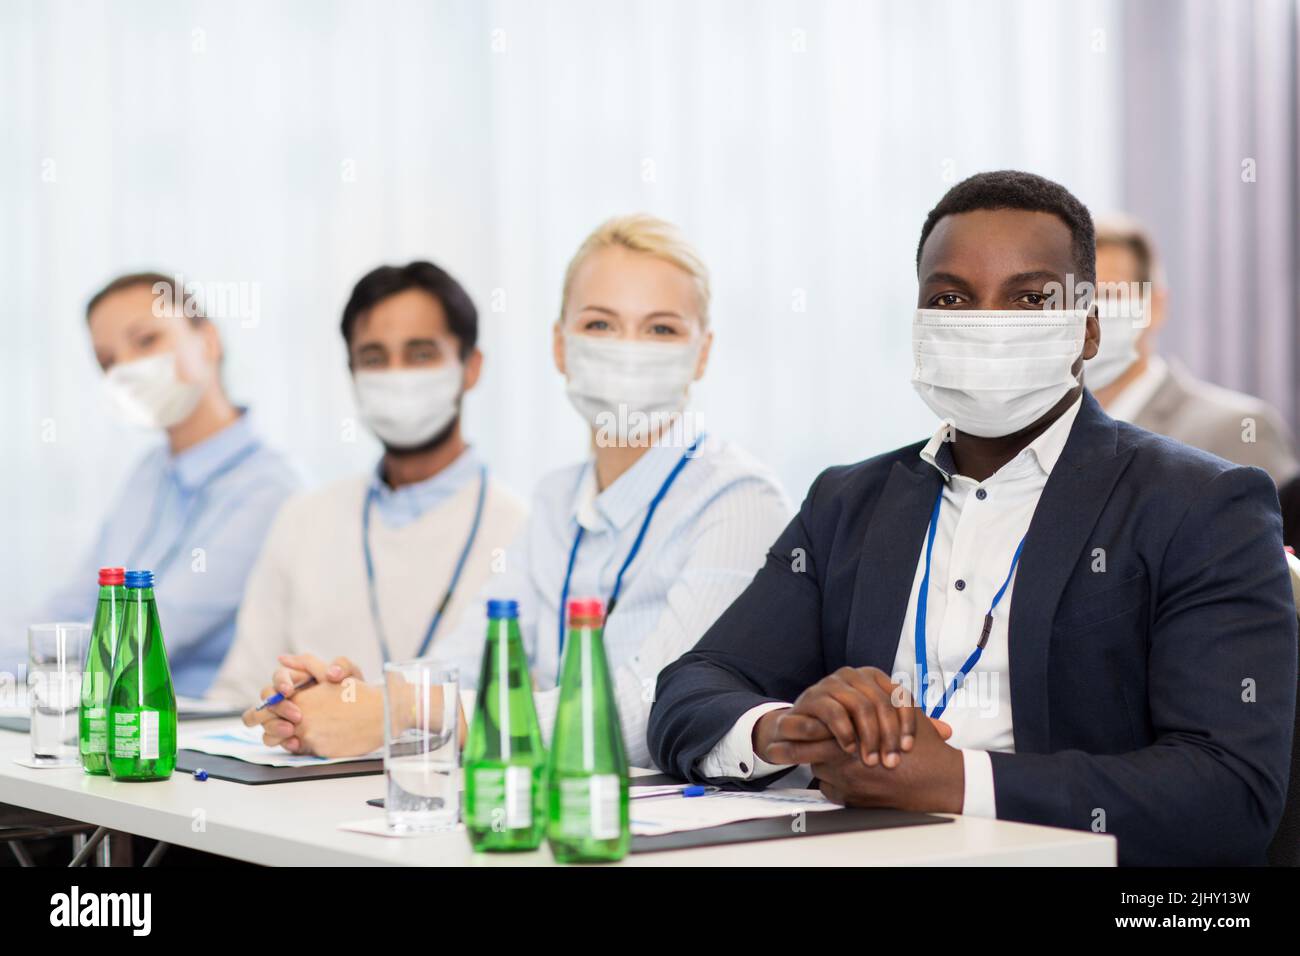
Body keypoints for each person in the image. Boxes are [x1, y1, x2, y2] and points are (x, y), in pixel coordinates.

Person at [647, 171, 1297, 866]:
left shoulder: (1202, 506)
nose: (987, 323)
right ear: (922, 324)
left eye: (1029, 298)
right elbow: (692, 687)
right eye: (952, 298)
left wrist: (959, 781)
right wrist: (784, 731)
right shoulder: (847, 503)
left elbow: (1229, 794)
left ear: (1087, 329)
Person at [242, 214, 790, 768]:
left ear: (703, 353)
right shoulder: (558, 500)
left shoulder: (740, 501)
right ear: (559, 345)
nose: (628, 349)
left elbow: (647, 713)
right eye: (600, 325)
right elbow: (467, 656)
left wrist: (402, 709)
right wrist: (353, 699)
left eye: (661, 329)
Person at [207, 262, 527, 704]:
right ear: (352, 372)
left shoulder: (525, 532)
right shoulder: (304, 518)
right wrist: (278, 711)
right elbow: (239, 697)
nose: (396, 375)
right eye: (374, 358)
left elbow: (533, 708)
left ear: (471, 367)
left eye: (420, 354)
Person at [6, 272, 298, 697]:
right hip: (109, 717)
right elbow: (73, 603)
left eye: (146, 341)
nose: (126, 368)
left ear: (208, 342)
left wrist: (28, 660)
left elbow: (146, 633)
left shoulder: (269, 491)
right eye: (107, 361)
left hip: (194, 733)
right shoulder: (148, 475)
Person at [1089, 214, 1297, 484]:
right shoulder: (1049, 437)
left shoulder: (1236, 430)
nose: (1088, 313)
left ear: (1155, 306)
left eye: (1108, 294)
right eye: (1074, 296)